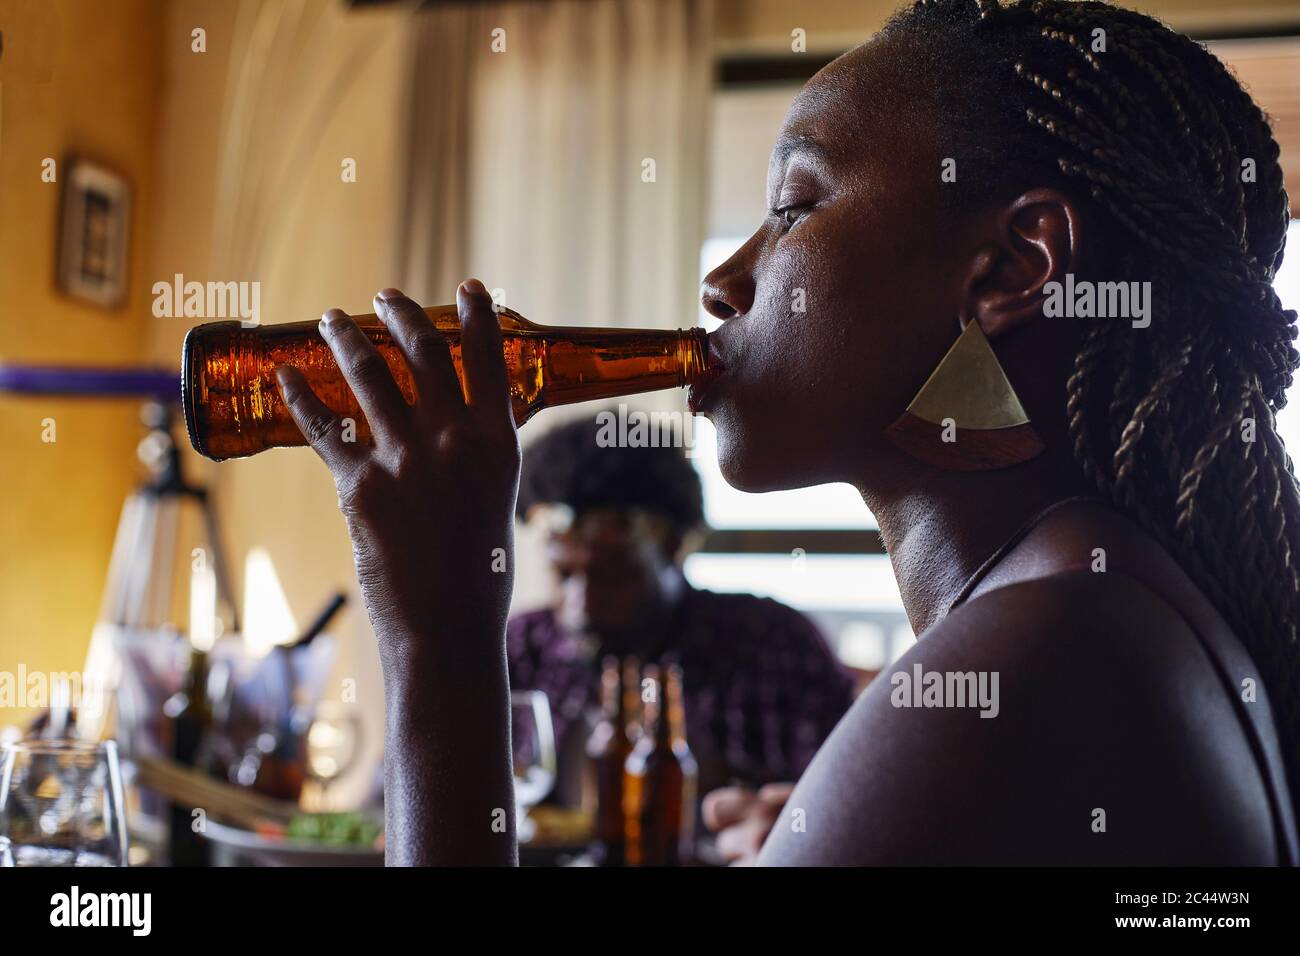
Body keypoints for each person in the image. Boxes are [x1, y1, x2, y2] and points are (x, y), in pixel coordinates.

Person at [276, 0, 1300, 865]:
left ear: (1012, 268)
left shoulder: (1042, 652)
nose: (724, 285)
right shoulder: (1091, 601)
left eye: (796, 205)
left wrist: (437, 639)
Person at [507, 416, 855, 809]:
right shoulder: (521, 650)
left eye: (613, 575)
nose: (582, 604)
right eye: (564, 574)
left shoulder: (770, 646)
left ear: (672, 546)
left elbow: (847, 803)